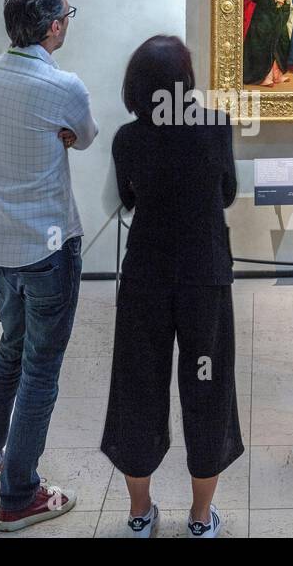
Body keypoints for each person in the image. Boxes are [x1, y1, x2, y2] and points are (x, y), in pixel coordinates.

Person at [0, 0, 97, 531]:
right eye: (67, 13)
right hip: (48, 250)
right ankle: (19, 495)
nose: (68, 21)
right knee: (41, 370)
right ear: (54, 26)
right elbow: (85, 136)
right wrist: (60, 135)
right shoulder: (65, 86)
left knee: (10, 351)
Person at [102, 36, 244, 538]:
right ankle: (201, 518)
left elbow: (126, 198)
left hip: (146, 276)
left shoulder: (127, 139)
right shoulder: (215, 126)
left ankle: (140, 514)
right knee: (207, 386)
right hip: (203, 275)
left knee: (138, 385)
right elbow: (226, 192)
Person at [242, 0, 292, 86]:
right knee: (265, 45)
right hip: (263, 16)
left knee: (278, 43)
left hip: (276, 13)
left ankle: (277, 75)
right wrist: (276, 0)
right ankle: (265, 77)